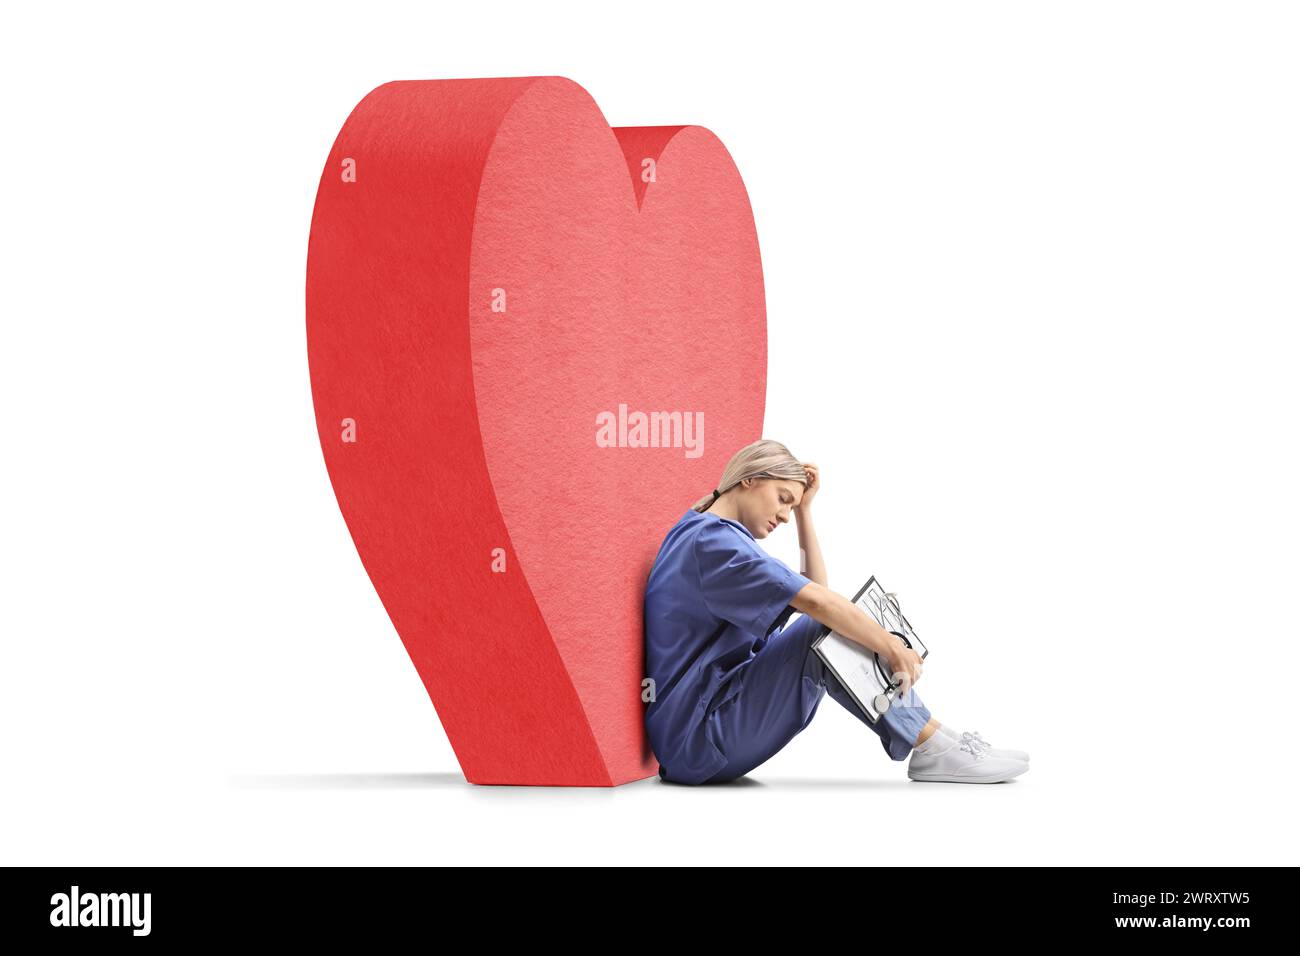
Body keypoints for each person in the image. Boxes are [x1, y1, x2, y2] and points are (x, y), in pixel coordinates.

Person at [643, 439, 1030, 785]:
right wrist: (890, 647)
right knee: (827, 625)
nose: (783, 515)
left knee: (831, 624)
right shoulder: (715, 544)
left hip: (700, 733)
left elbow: (819, 598)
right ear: (749, 479)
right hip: (700, 739)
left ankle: (935, 737)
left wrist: (805, 512)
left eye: (790, 506)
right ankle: (931, 743)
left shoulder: (702, 531)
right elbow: (818, 605)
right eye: (782, 498)